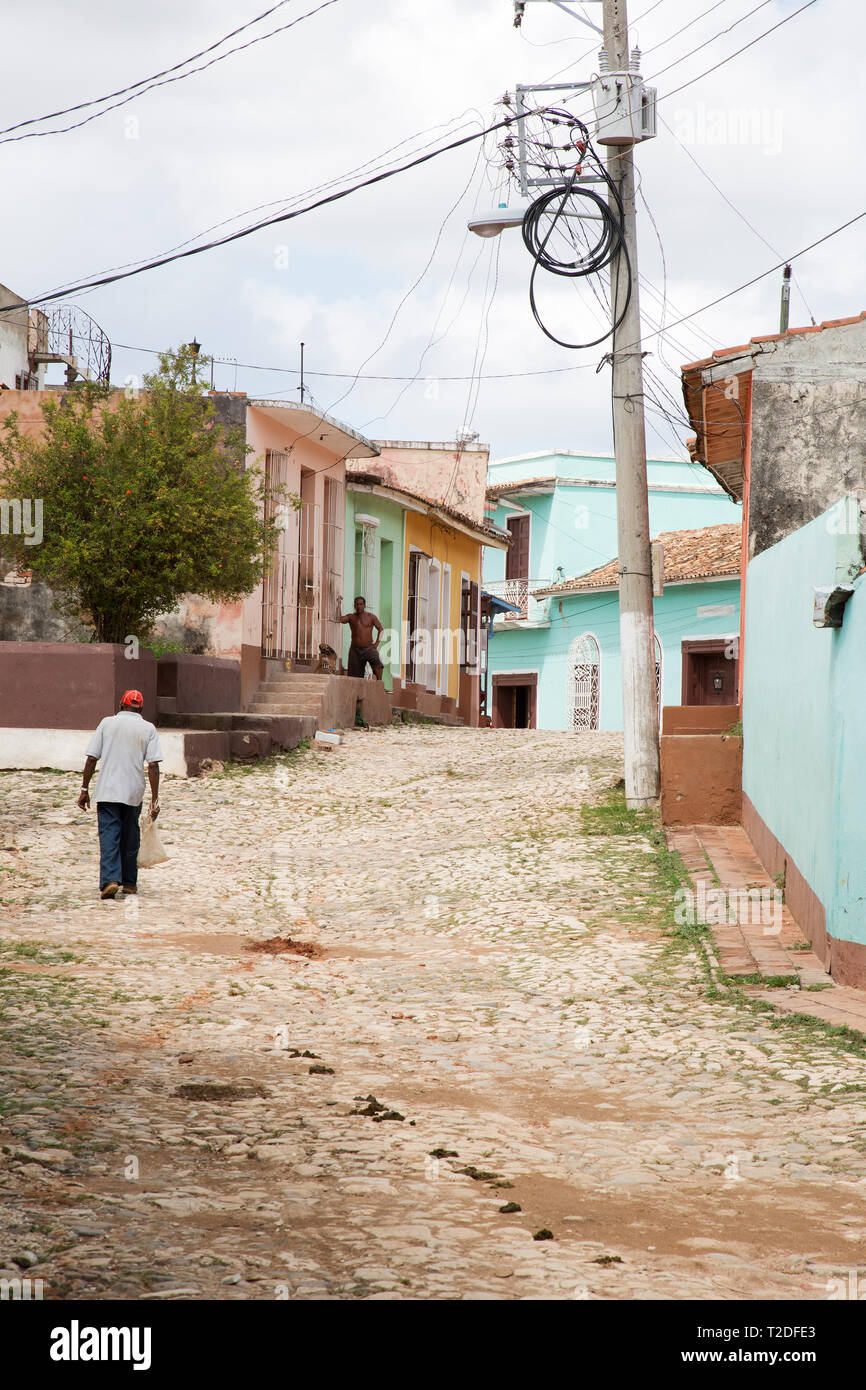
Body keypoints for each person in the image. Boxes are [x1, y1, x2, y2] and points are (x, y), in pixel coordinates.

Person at [77, 689, 163, 900]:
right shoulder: (148, 728)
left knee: (109, 835)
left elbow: (91, 758)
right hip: (133, 791)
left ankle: (110, 880)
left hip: (108, 790)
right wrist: (155, 798)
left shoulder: (106, 723)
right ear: (140, 708)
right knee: (130, 836)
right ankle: (130, 883)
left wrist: (84, 789)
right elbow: (152, 765)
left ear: (121, 705)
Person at [340, 596, 384, 680]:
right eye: (357, 604)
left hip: (368, 648)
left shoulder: (371, 617)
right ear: (354, 606)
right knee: (354, 675)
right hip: (355, 650)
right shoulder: (351, 617)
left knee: (377, 662)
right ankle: (357, 691)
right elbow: (341, 619)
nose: (359, 606)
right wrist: (339, 603)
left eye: (361, 604)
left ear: (364, 605)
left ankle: (379, 683)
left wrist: (377, 643)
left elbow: (381, 629)